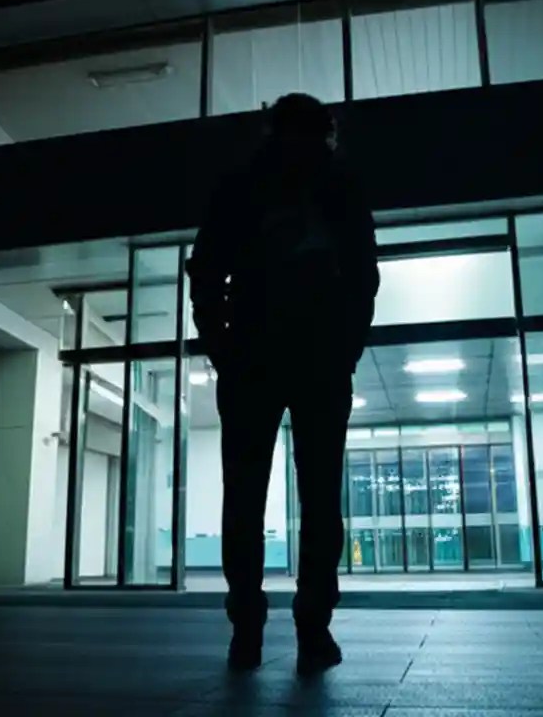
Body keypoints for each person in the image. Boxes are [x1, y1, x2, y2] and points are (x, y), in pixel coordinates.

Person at [187, 93, 380, 674]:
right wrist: (345, 347)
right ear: (327, 133)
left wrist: (222, 343)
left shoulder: (241, 185)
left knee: (246, 497)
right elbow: (364, 277)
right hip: (311, 360)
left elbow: (205, 273)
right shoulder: (339, 185)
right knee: (318, 499)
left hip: (256, 358)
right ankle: (310, 631)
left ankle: (249, 630)